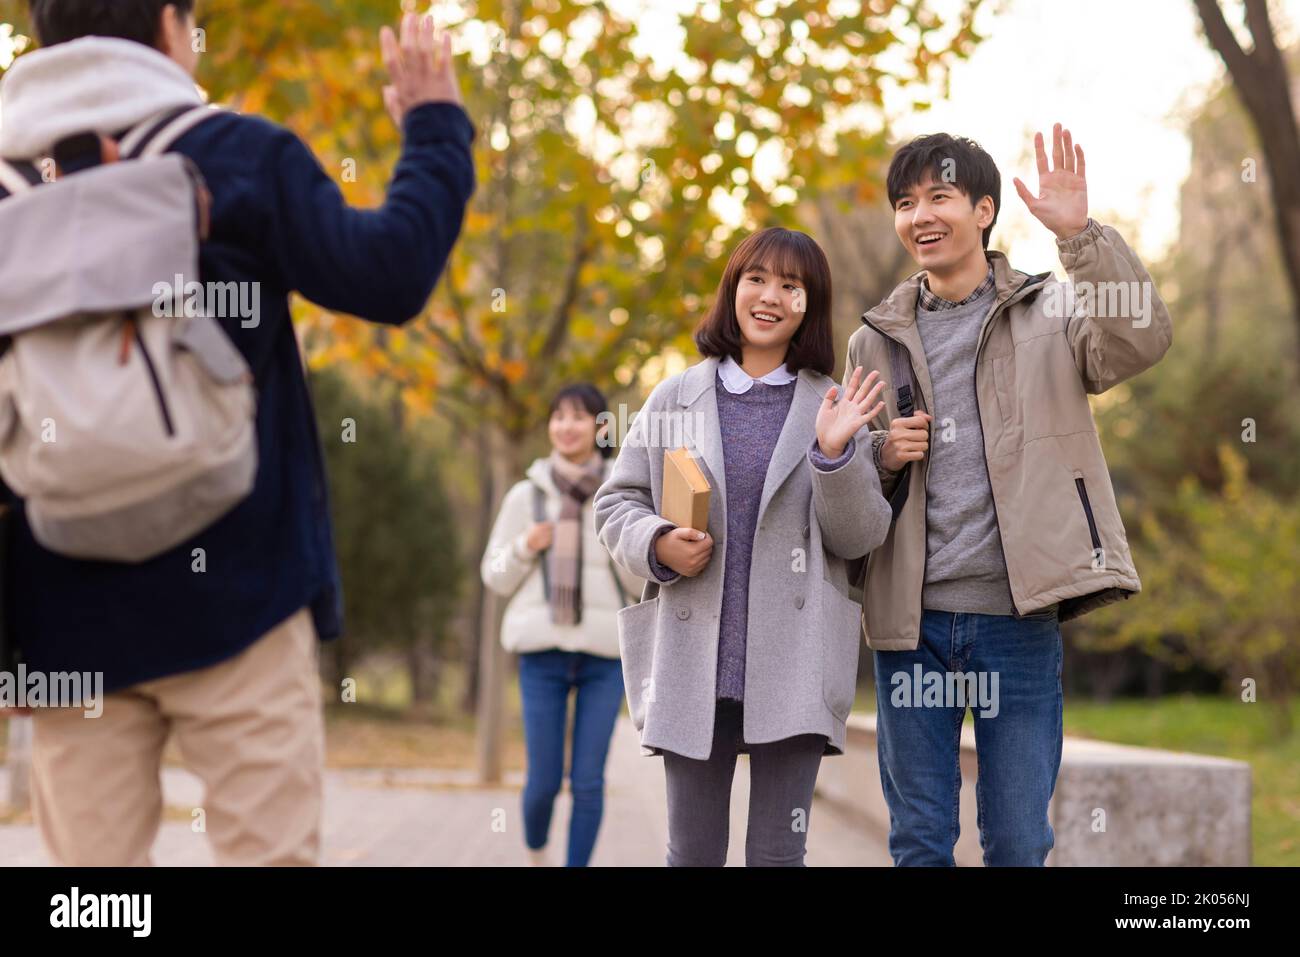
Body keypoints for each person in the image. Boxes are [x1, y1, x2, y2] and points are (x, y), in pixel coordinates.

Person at [0, 1, 476, 865]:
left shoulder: (5, 188)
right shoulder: (238, 154)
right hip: (244, 598)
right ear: (175, 25)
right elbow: (390, 271)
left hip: (66, 624)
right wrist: (436, 129)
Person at [845, 126, 1173, 866]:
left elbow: (1142, 341)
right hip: (912, 629)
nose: (920, 215)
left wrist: (1081, 237)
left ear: (984, 208)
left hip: (1016, 622)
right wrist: (881, 455)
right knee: (920, 842)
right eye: (905, 202)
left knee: (1020, 843)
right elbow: (848, 493)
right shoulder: (875, 341)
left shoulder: (1051, 311)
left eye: (939, 195)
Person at [594, 227, 893, 866]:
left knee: (778, 856)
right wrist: (658, 543)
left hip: (797, 664)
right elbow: (616, 504)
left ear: (810, 304)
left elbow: (861, 536)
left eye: (792, 286)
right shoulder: (674, 396)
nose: (771, 297)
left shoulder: (832, 404)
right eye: (757, 278)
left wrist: (834, 455)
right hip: (692, 662)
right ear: (734, 287)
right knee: (692, 855)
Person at [481, 384, 644, 867]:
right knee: (543, 782)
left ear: (600, 428)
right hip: (542, 653)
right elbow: (494, 577)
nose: (565, 426)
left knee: (589, 781)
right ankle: (536, 852)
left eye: (578, 417)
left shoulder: (626, 491)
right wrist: (526, 546)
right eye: (557, 417)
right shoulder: (525, 496)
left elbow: (644, 584)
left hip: (603, 656)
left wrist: (621, 548)